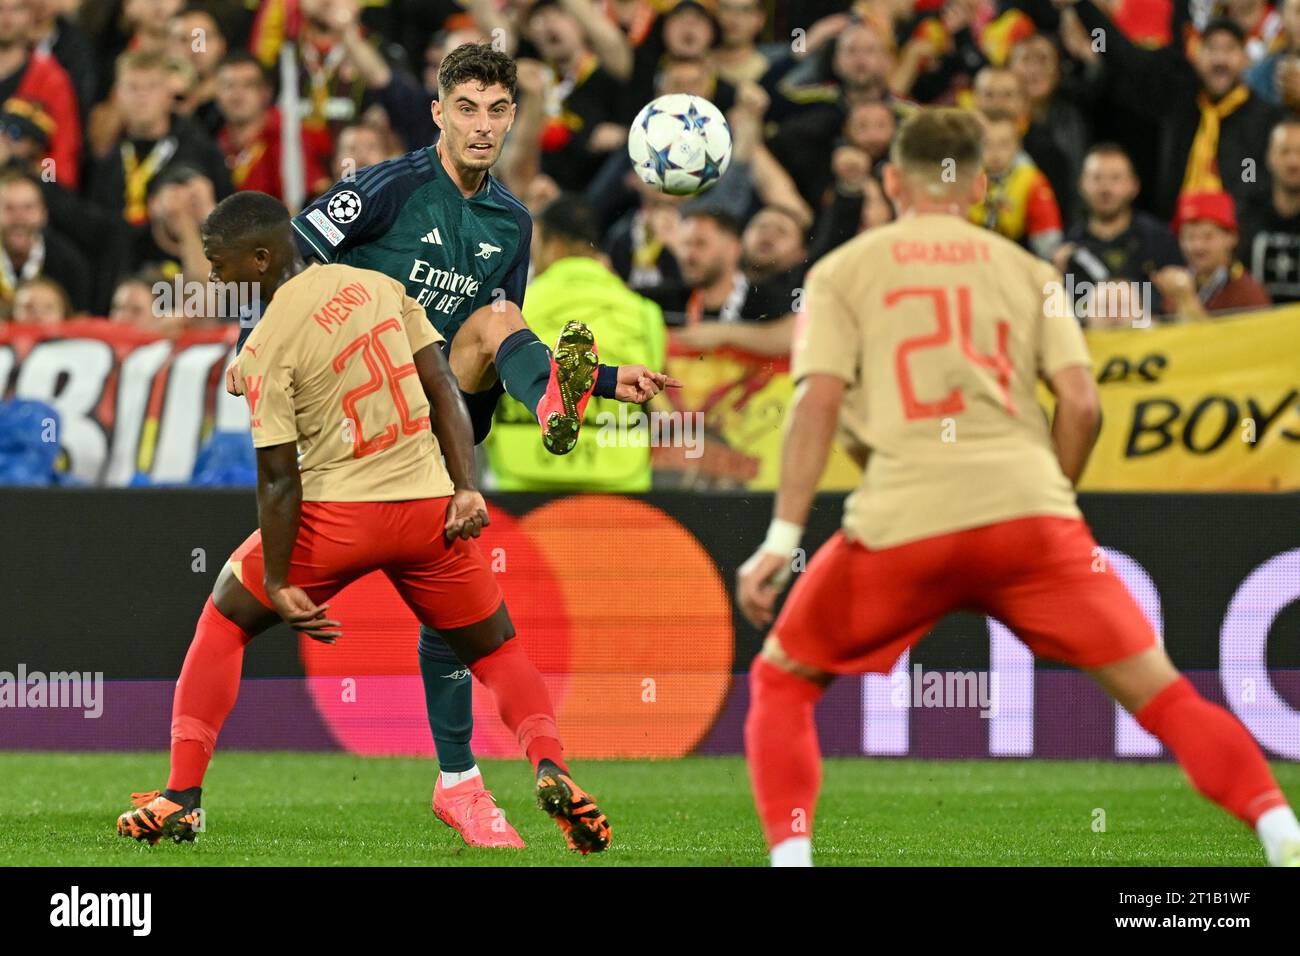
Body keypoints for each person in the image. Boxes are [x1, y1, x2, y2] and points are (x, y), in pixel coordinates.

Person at [735, 107, 1300, 868]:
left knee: (782, 680)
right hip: (1030, 516)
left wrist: (781, 538)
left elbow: (817, 402)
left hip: (906, 519)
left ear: (893, 179)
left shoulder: (843, 270)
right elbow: (1084, 404)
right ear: (978, 188)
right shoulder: (1030, 271)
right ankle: (1279, 829)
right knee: (1165, 697)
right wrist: (1052, 501)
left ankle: (793, 861)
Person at [235, 42, 674, 849]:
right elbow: (286, 260)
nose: (481, 126)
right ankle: (464, 779)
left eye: (497, 110)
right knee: (451, 621)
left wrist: (603, 380)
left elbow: (500, 333)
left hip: (440, 423)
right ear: (437, 112)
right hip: (360, 418)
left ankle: (460, 783)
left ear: (514, 119)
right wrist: (253, 351)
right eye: (465, 108)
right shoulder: (386, 189)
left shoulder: (512, 221)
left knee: (499, 324)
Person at [115, 190, 612, 855]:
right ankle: (552, 768)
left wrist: (287, 578)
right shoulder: (375, 286)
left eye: (219, 262)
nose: (213, 277)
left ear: (259, 258)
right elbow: (441, 386)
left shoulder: (266, 346)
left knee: (225, 621)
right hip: (429, 513)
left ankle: (181, 796)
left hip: (339, 517)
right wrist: (465, 488)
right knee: (497, 652)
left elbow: (279, 479)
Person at [486, 196, 667, 492]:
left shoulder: (515, 308)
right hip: (620, 483)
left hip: (521, 482)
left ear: (554, 244)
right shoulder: (646, 313)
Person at [1154, 190, 1272, 320]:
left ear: (1232, 238)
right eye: (1189, 237)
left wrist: (1187, 300)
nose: (1197, 246)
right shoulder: (1171, 284)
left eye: (1208, 236)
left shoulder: (1249, 293)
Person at [1237, 117, 1300, 303]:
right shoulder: (1247, 213)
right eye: (1284, 152)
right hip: (1257, 325)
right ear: (1270, 158)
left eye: (1299, 152)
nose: (1293, 162)